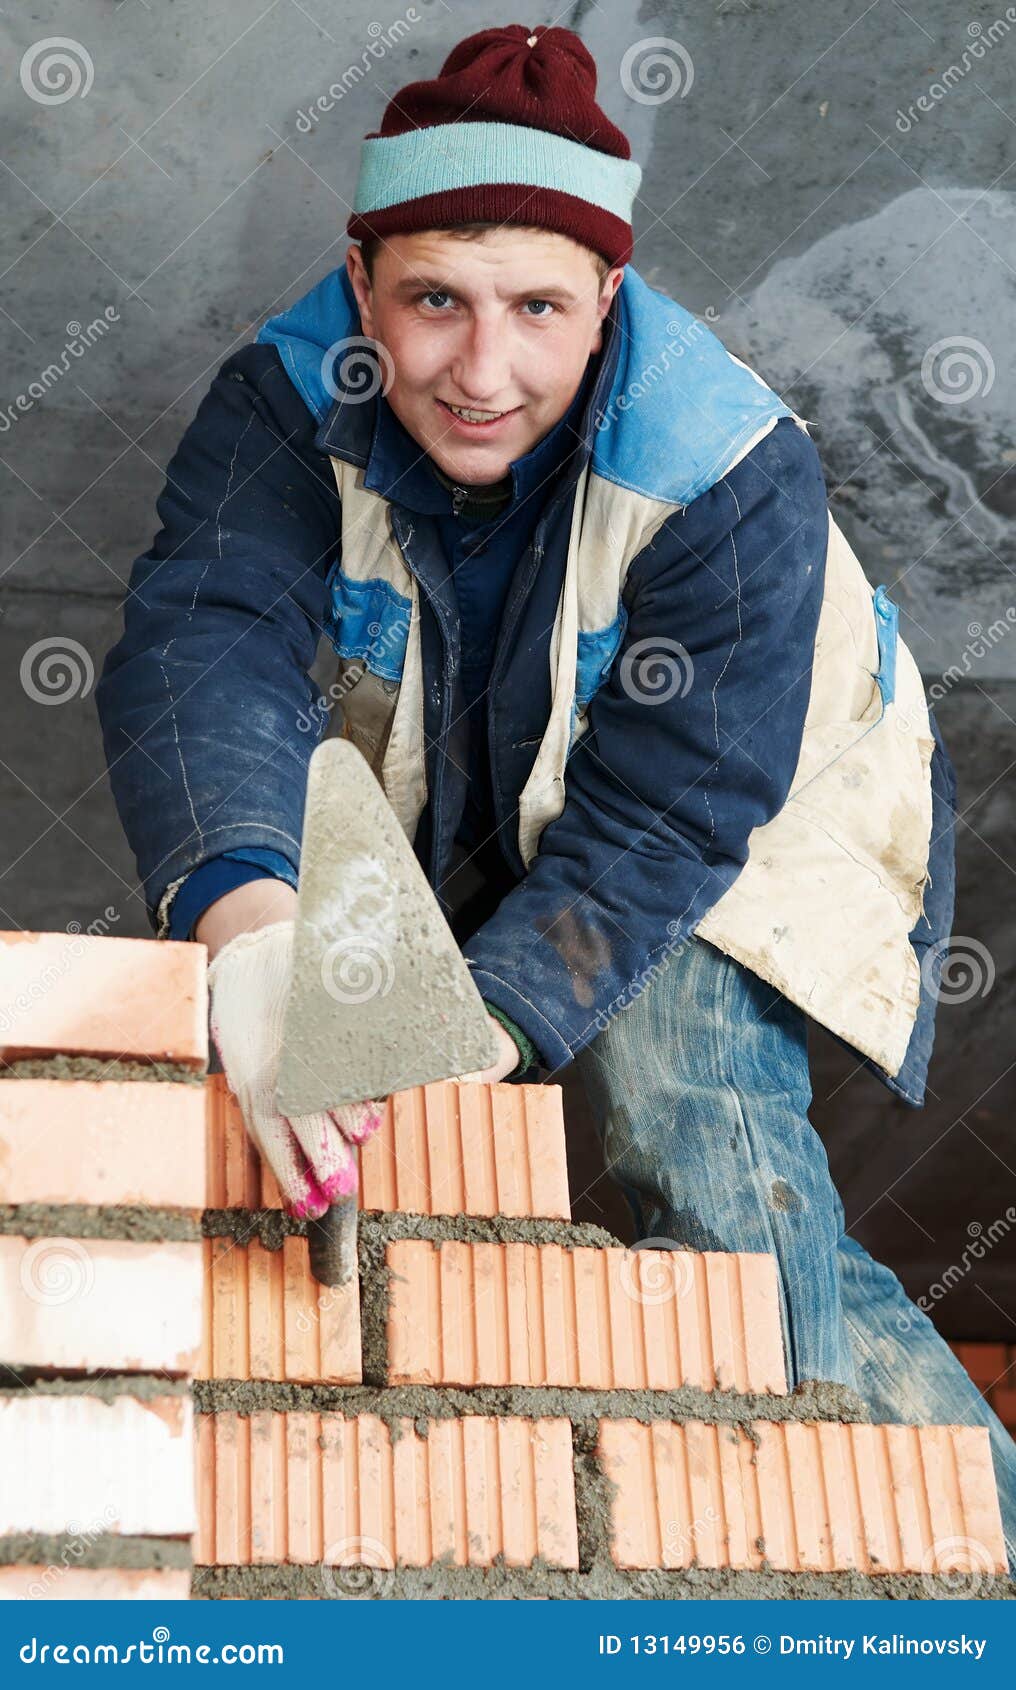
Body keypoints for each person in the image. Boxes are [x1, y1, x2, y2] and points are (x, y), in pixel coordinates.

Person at [96, 23, 1016, 1563]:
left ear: (610, 296)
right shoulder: (277, 398)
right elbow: (207, 644)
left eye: (538, 307)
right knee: (298, 1090)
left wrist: (473, 1045)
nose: (481, 368)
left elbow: (664, 821)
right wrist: (251, 932)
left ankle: (950, 1567)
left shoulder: (728, 466)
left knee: (699, 1151)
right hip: (463, 786)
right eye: (434, 301)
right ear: (362, 276)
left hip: (751, 813)